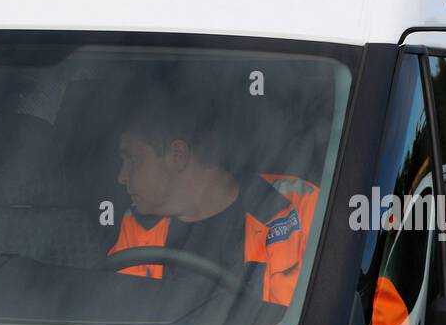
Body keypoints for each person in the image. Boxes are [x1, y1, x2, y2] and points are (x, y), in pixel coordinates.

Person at [107, 85, 318, 307]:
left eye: (133, 159)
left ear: (177, 155)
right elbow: (120, 317)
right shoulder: (137, 225)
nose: (121, 177)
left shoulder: (297, 208)